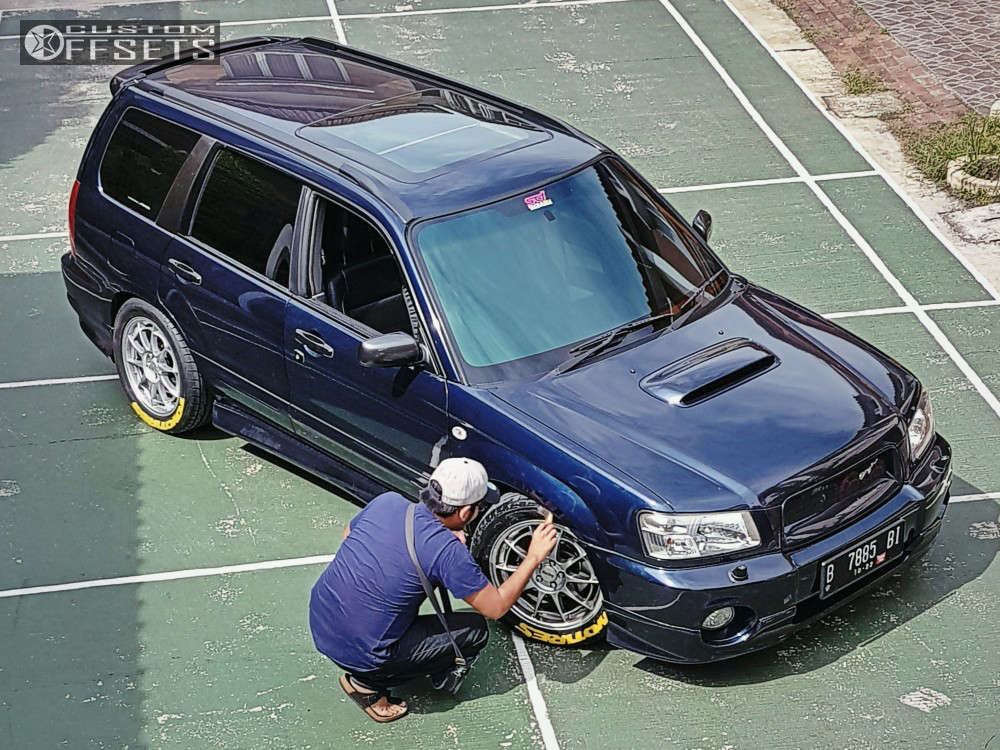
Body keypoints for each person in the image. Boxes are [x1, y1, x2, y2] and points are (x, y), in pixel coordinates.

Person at [309, 457, 559, 723]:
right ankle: (368, 687)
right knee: (474, 631)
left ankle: (378, 664)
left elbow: (349, 533)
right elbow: (496, 608)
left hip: (320, 620)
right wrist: (533, 557)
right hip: (362, 653)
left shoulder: (388, 502)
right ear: (465, 513)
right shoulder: (447, 553)